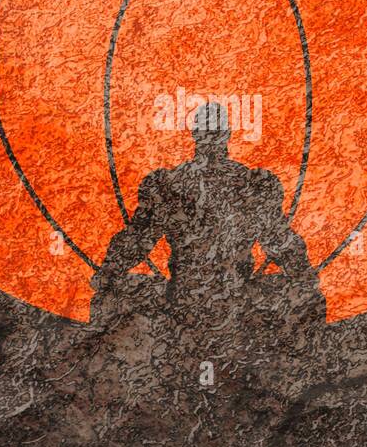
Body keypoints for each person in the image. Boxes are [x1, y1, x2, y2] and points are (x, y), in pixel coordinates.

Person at [91, 102, 325, 324]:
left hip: (185, 300)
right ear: (228, 134)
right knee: (303, 295)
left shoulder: (169, 184)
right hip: (236, 300)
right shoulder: (251, 184)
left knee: (115, 293)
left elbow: (135, 242)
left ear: (194, 134)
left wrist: (108, 274)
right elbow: (282, 244)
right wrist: (305, 278)